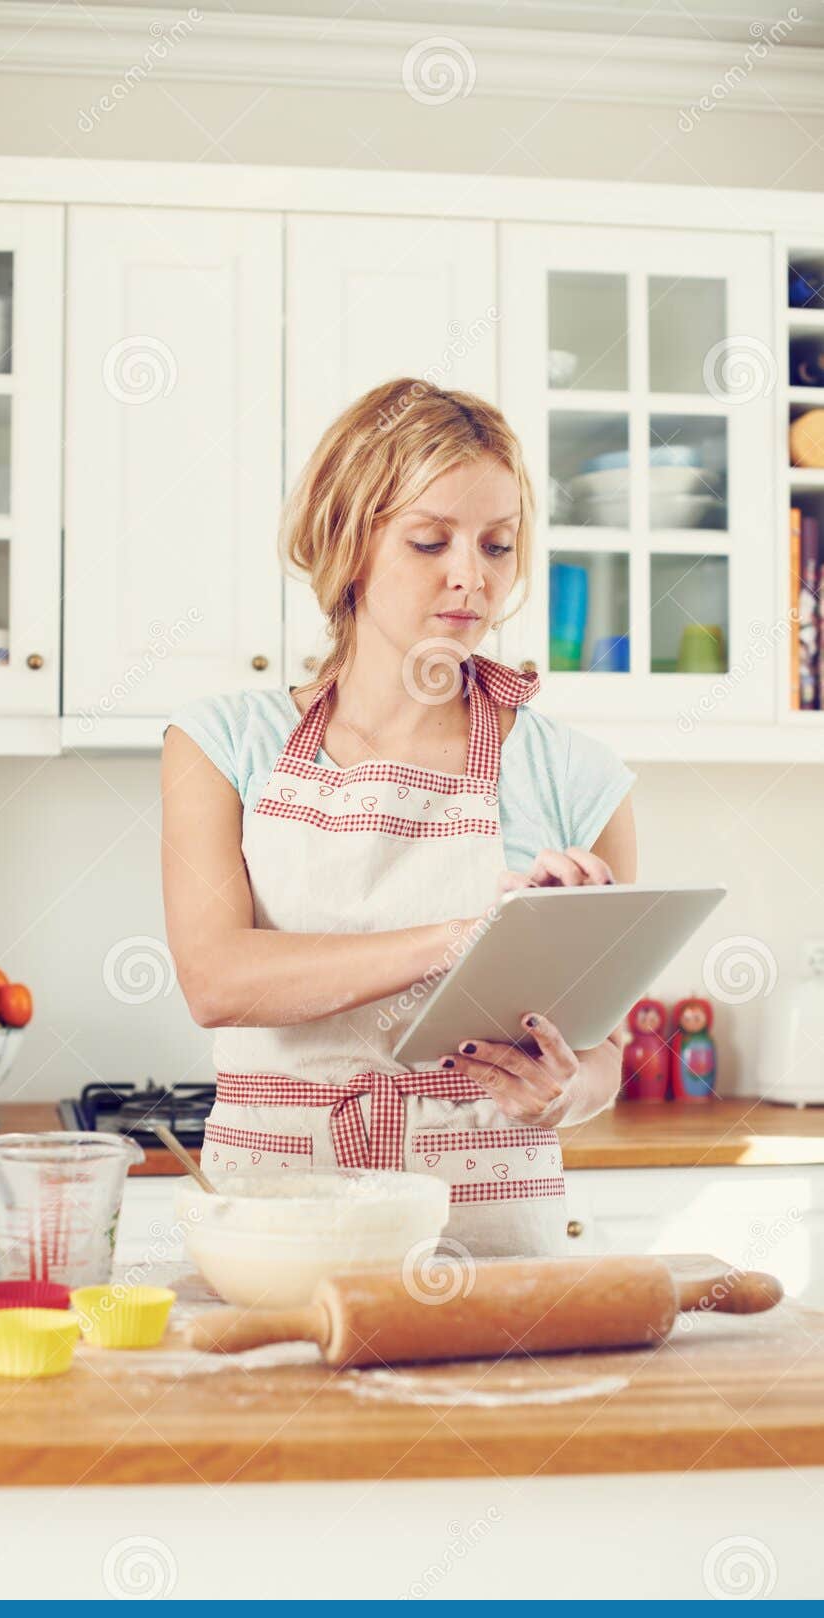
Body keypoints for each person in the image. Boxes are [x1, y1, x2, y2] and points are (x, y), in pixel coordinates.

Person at [161, 378, 637, 1256]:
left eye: (497, 546)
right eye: (429, 541)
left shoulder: (577, 773)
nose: (472, 577)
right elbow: (217, 979)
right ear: (348, 548)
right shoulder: (222, 743)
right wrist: (468, 937)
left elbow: (603, 1053)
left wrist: (565, 1089)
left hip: (496, 1245)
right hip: (282, 1233)